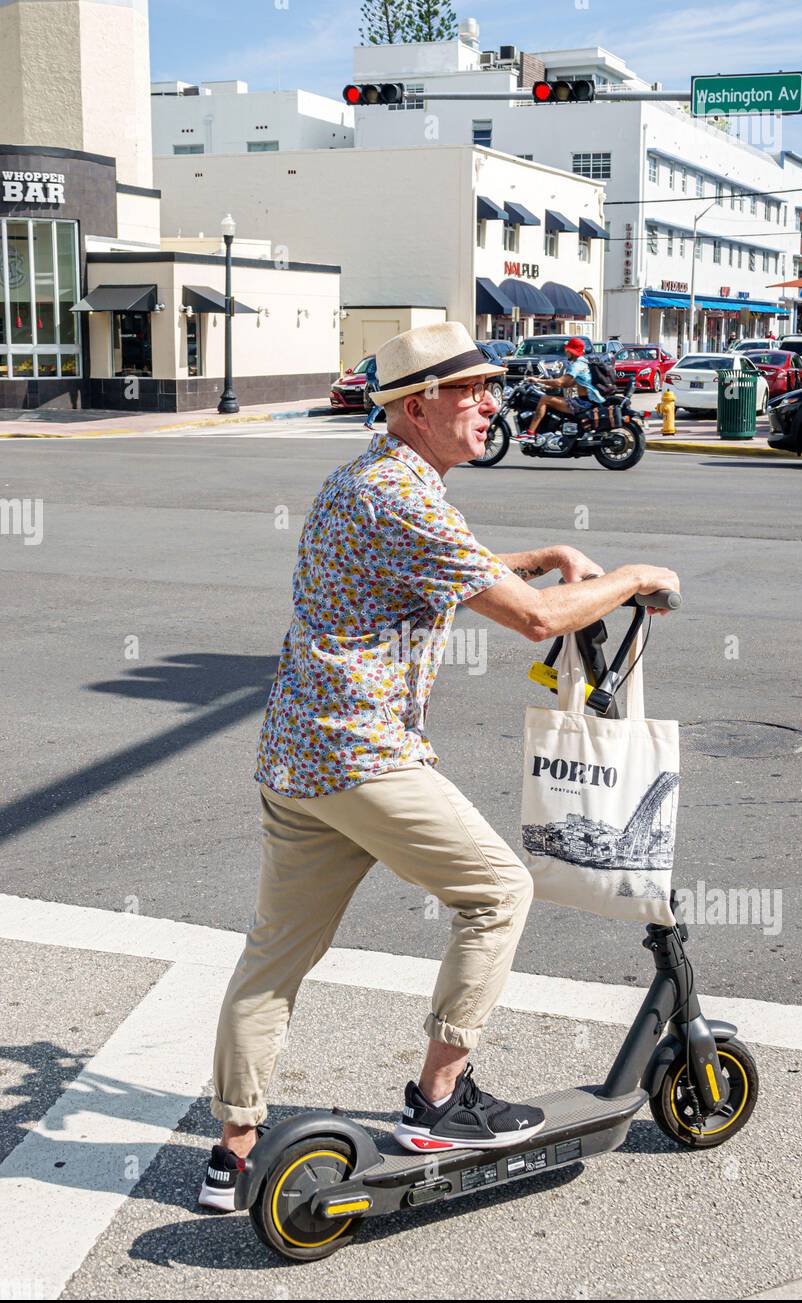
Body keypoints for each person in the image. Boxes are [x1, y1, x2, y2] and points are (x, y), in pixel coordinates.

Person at [198, 320, 679, 1211]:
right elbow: (536, 621)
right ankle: (439, 1103)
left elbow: (461, 572)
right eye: (471, 391)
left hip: (298, 758)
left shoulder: (376, 481)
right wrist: (631, 575)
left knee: (274, 957)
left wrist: (541, 556)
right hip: (363, 753)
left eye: (489, 387)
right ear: (418, 407)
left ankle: (231, 1153)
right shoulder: (406, 498)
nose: (490, 403)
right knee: (498, 890)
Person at [513, 337, 605, 441]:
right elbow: (569, 383)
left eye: (567, 350)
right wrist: (546, 386)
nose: (566, 352)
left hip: (581, 402)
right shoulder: (583, 363)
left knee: (544, 399)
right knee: (552, 397)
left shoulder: (576, 365)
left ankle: (530, 433)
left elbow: (560, 382)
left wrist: (537, 380)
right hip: (584, 400)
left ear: (572, 351)